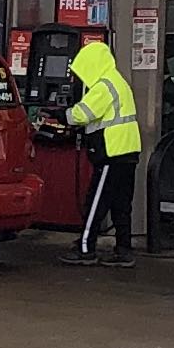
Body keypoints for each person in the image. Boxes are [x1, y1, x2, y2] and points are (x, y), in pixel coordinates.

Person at [62, 28, 142, 264]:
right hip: (128, 152)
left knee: (95, 203)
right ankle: (124, 250)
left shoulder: (104, 86)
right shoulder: (119, 82)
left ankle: (85, 248)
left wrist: (61, 115)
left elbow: (82, 114)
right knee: (121, 204)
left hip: (111, 152)